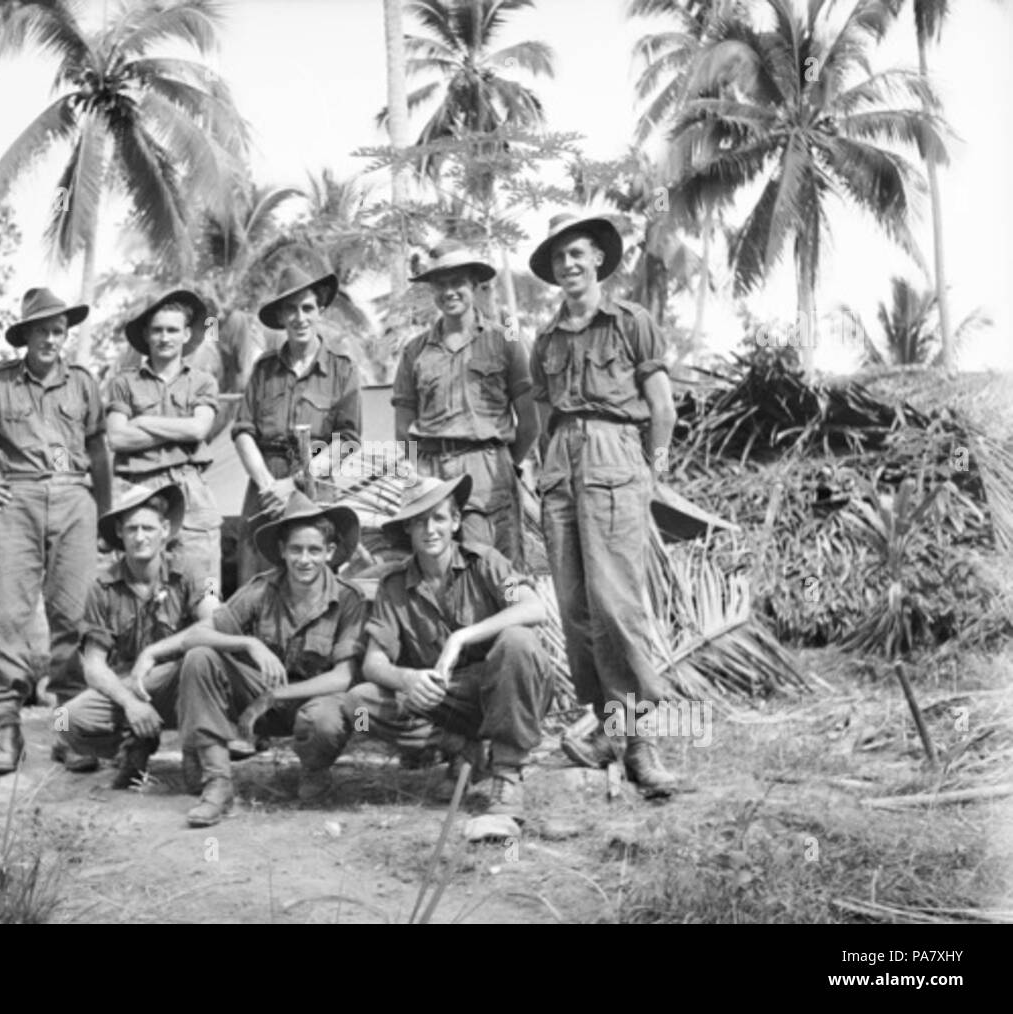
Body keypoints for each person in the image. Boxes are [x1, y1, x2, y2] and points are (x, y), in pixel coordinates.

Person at [527, 212, 680, 798]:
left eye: (578, 255)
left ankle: (641, 741)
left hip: (616, 458)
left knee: (617, 607)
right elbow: (543, 418)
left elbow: (661, 411)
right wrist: (544, 473)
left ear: (598, 261)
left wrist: (655, 474)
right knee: (576, 609)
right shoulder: (545, 339)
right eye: (560, 257)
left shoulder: (631, 322)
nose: (569, 265)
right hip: (562, 465)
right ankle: (605, 727)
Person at [0, 287, 112, 777]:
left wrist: (105, 513)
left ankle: (66, 730)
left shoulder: (82, 383)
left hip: (75, 500)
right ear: (26, 336)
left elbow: (98, 450)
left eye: (59, 331)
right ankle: (7, 731)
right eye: (43, 331)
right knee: (9, 616)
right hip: (17, 500)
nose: (52, 340)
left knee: (74, 618)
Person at [356, 475, 550, 827]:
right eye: (419, 522)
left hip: (506, 688)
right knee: (359, 704)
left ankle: (506, 773)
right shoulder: (394, 585)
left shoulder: (486, 562)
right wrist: (407, 678)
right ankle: (462, 749)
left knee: (517, 641)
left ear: (456, 522)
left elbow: (533, 607)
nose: (430, 530)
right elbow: (373, 661)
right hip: (448, 699)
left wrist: (459, 639)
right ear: (407, 531)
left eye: (439, 519)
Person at [174, 492, 368, 828]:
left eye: (314, 550)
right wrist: (249, 643)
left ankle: (314, 771)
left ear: (330, 553)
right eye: (295, 549)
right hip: (259, 699)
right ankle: (217, 782)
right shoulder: (261, 589)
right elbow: (195, 636)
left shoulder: (349, 599)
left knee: (326, 718)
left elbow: (342, 678)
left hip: (308, 702)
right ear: (282, 551)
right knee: (200, 658)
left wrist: (276, 695)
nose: (304, 560)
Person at [56, 481, 220, 789]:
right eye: (132, 529)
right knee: (64, 720)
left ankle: (196, 750)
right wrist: (130, 703)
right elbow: (93, 665)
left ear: (165, 529)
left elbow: (215, 622)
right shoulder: (101, 587)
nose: (140, 537)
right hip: (131, 686)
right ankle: (136, 742)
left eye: (148, 528)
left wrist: (154, 653)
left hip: (183, 684)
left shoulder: (195, 570)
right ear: (119, 532)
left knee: (201, 661)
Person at [393, 243, 538, 568]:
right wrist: (415, 477)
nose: (449, 292)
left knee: (498, 569)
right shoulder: (414, 352)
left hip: (487, 468)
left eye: (457, 282)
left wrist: (501, 462)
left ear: (473, 284)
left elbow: (529, 422)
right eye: (441, 285)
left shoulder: (505, 342)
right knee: (438, 570)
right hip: (431, 470)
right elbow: (403, 432)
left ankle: (512, 618)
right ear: (432, 291)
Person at [231, 265, 362, 585]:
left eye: (307, 308)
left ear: (319, 312)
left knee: (314, 578)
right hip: (265, 486)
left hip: (316, 484)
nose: (299, 318)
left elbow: (347, 440)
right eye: (291, 309)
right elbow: (243, 431)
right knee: (258, 580)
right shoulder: (264, 369)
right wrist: (268, 486)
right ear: (281, 316)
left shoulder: (342, 369)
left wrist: (294, 484)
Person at [105, 289, 223, 587]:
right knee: (143, 584)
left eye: (172, 330)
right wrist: (177, 431)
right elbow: (117, 438)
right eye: (157, 330)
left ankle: (204, 632)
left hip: (190, 486)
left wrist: (143, 421)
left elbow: (199, 429)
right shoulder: (124, 383)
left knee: (204, 583)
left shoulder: (202, 381)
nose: (164, 337)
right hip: (139, 488)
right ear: (146, 334)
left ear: (186, 334)